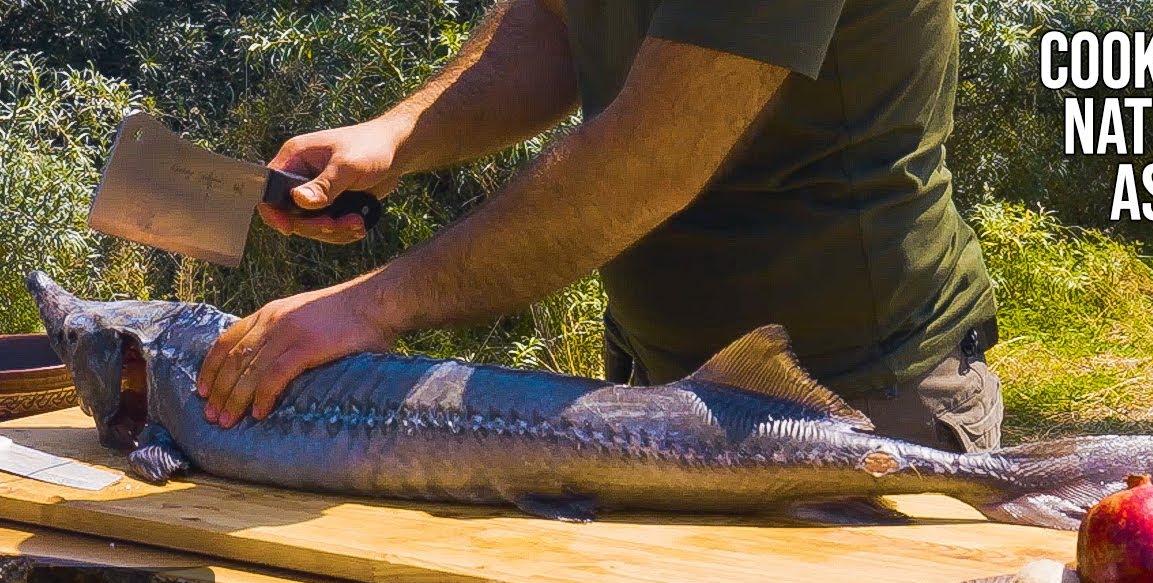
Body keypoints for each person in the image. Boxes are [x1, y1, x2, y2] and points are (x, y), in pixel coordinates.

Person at [197, 0, 1004, 453]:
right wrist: (401, 136)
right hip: (657, 398)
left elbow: (649, 161)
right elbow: (550, 21)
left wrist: (370, 305)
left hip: (858, 400)